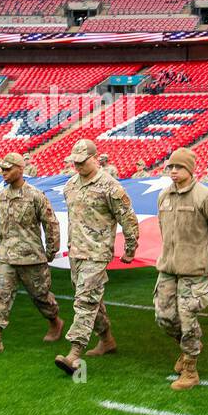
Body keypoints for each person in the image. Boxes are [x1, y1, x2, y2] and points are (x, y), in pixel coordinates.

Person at [54, 139, 140, 375]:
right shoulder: (70, 185)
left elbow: (128, 218)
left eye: (82, 162)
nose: (78, 166)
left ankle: (74, 352)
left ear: (95, 158)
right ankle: (107, 340)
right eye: (75, 162)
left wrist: (130, 248)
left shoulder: (110, 187)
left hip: (97, 253)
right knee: (92, 299)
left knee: (84, 301)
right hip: (76, 252)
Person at [154, 148, 208, 390]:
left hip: (195, 271)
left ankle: (190, 370)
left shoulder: (206, 196)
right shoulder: (164, 196)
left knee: (187, 319)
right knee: (164, 317)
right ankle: (190, 344)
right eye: (171, 167)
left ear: (190, 169)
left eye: (179, 167)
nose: (174, 171)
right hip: (168, 269)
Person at [0, 152, 61, 354]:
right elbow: (3, 224)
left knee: (41, 296)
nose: (3, 173)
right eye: (1, 169)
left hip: (31, 256)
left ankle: (55, 321)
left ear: (20, 169)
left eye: (7, 169)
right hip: (7, 257)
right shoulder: (1, 196)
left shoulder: (35, 195)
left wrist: (51, 250)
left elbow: (51, 224)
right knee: (0, 295)